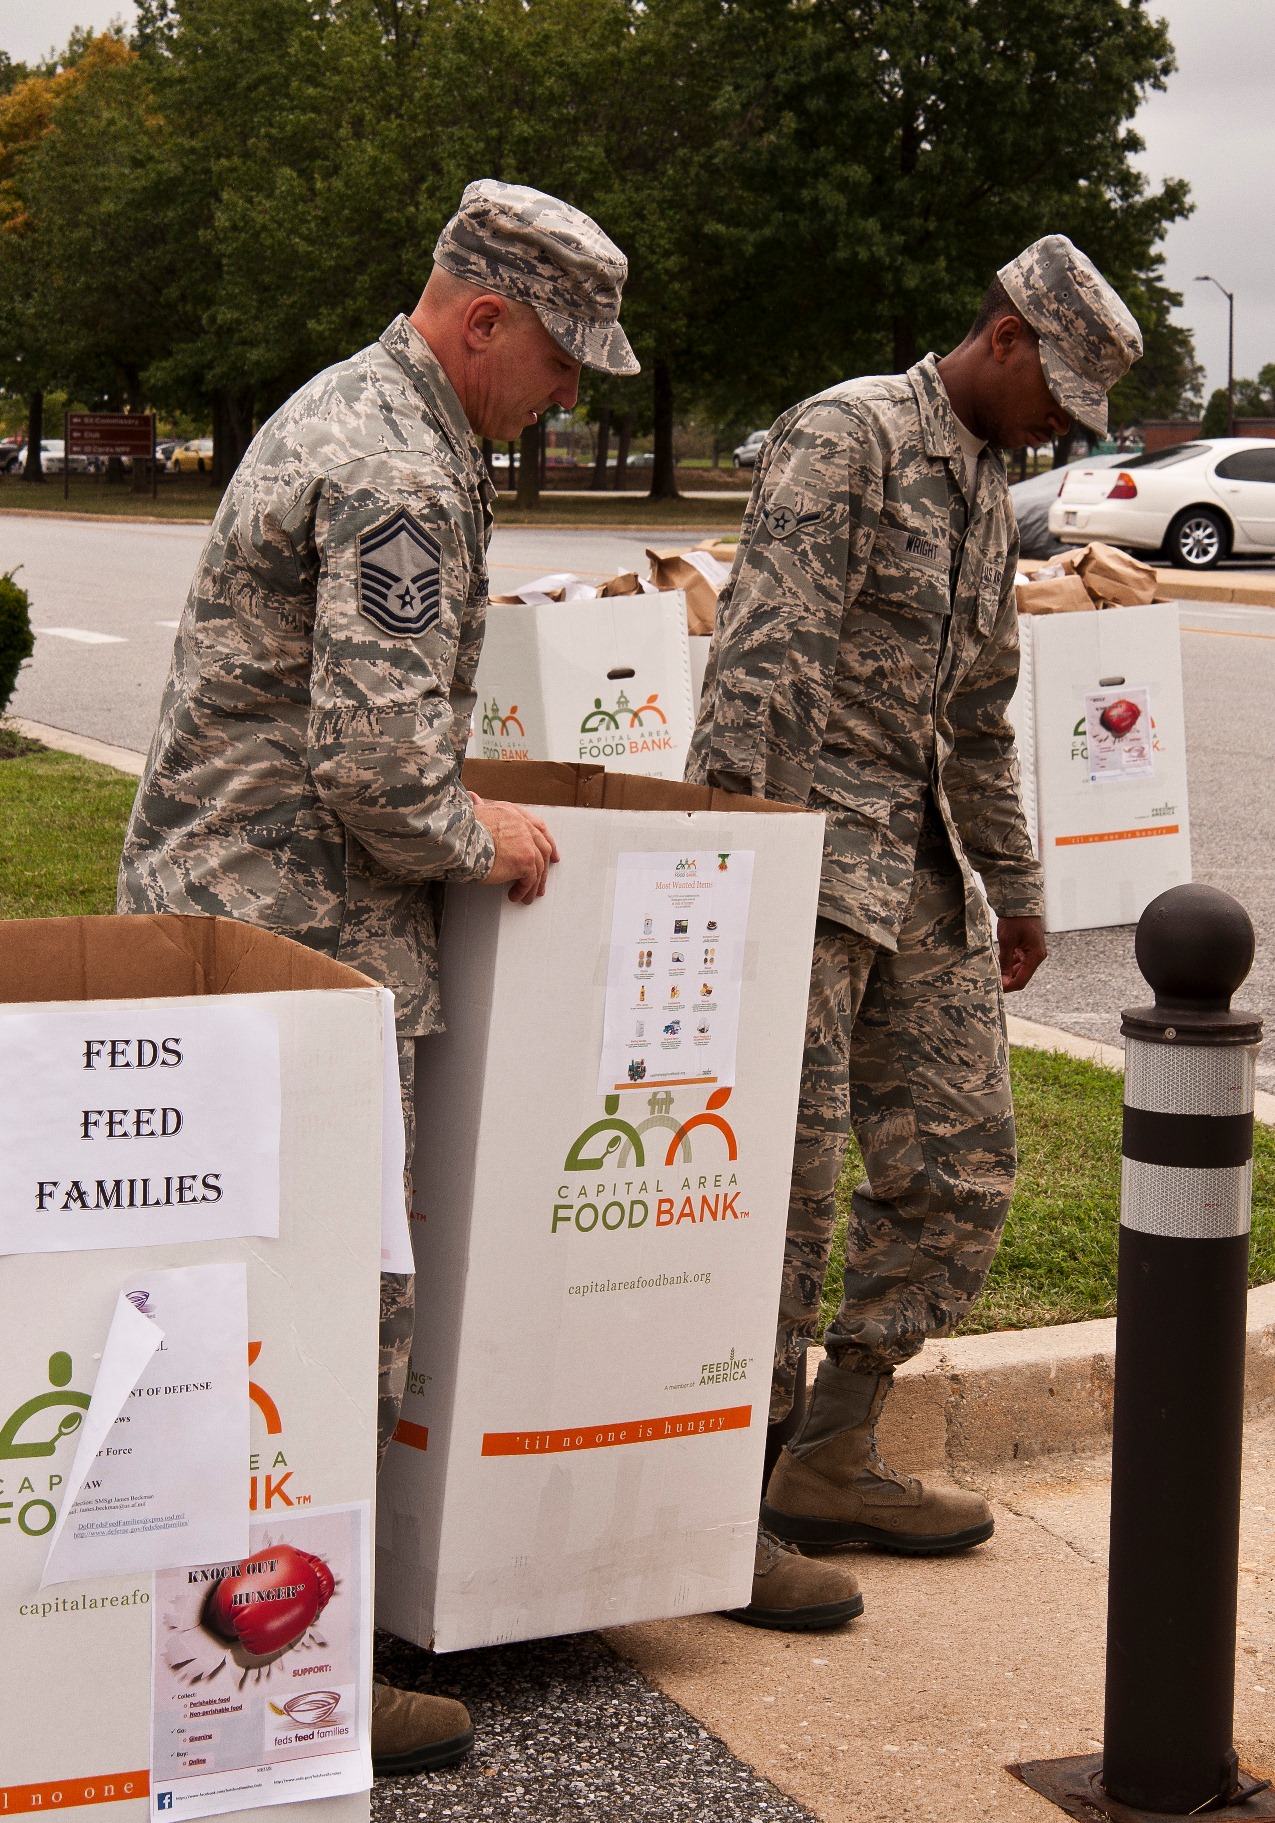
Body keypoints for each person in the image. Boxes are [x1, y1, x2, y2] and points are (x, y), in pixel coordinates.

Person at [118, 179, 639, 1769]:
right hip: (304, 940)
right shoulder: (400, 463)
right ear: (481, 317)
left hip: (241, 920)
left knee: (219, 1302)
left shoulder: (362, 412)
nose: (564, 395)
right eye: (557, 359)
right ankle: (278, 1688)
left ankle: (207, 1656)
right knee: (328, 1309)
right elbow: (377, 770)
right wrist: (485, 834)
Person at [687, 235, 1142, 1629]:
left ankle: (832, 1449)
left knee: (961, 1163)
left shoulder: (995, 486)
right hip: (807, 866)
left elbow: (983, 713)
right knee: (782, 1186)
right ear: (1003, 334)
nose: (1063, 421)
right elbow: (760, 664)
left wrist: (1014, 887)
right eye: (1056, 386)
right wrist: (738, 874)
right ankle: (721, 1505)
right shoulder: (850, 436)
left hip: (924, 872)